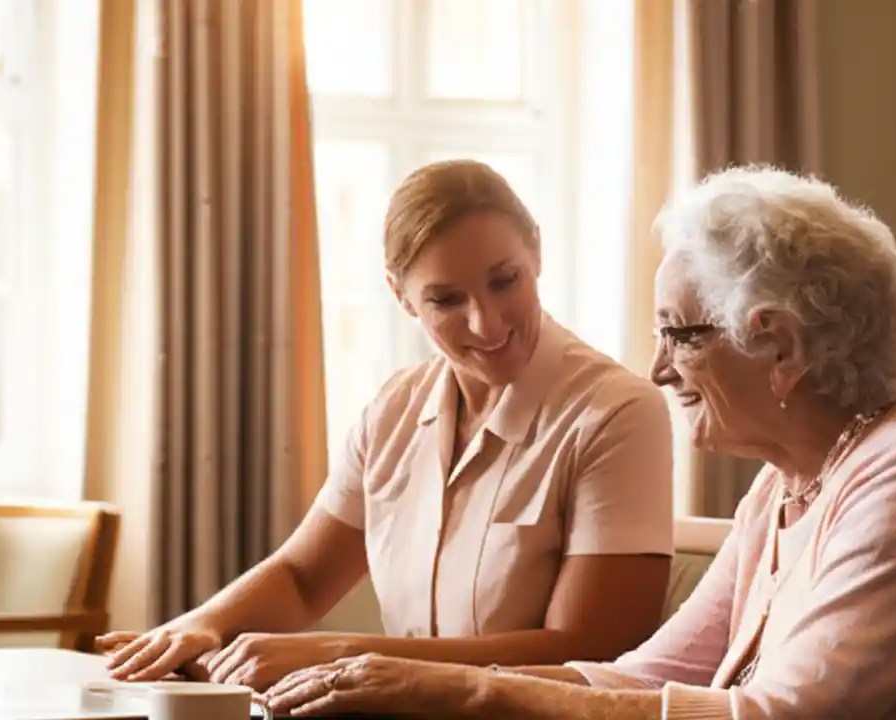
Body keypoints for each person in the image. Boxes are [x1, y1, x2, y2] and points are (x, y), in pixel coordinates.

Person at [265, 166, 896, 718]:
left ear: (781, 349)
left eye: (679, 333)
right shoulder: (786, 485)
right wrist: (400, 686)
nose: (658, 367)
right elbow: (641, 676)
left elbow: (780, 714)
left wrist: (465, 691)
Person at [99, 160, 674, 692]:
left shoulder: (618, 413)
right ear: (402, 298)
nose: (487, 321)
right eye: (446, 299)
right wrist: (199, 626)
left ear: (537, 255)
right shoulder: (394, 410)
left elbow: (593, 648)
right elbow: (302, 576)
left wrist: (346, 654)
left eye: (506, 281)